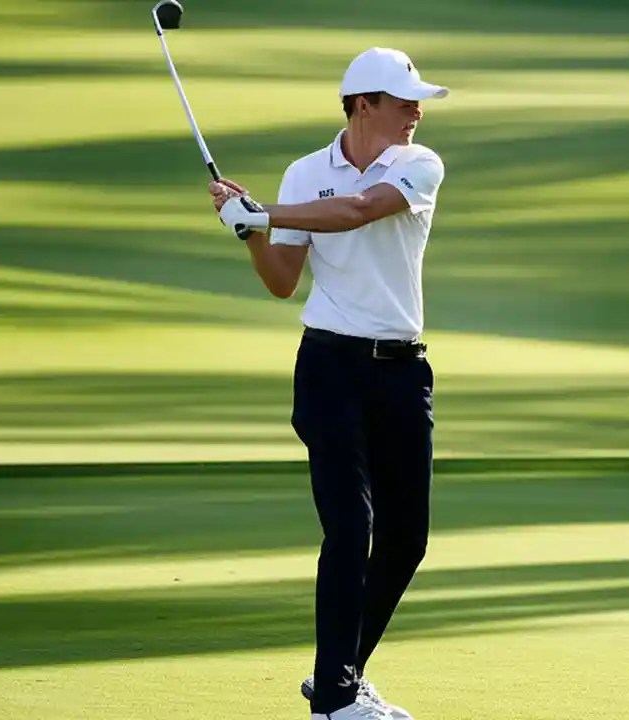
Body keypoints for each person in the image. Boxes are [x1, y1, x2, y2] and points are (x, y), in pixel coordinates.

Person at [208, 47, 448, 720]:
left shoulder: (418, 164)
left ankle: (338, 678)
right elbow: (283, 281)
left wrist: (264, 214)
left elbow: (356, 212)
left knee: (408, 539)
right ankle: (337, 700)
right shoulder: (306, 172)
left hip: (402, 369)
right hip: (329, 369)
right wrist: (250, 233)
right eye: (405, 102)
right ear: (363, 104)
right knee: (350, 527)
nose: (417, 112)